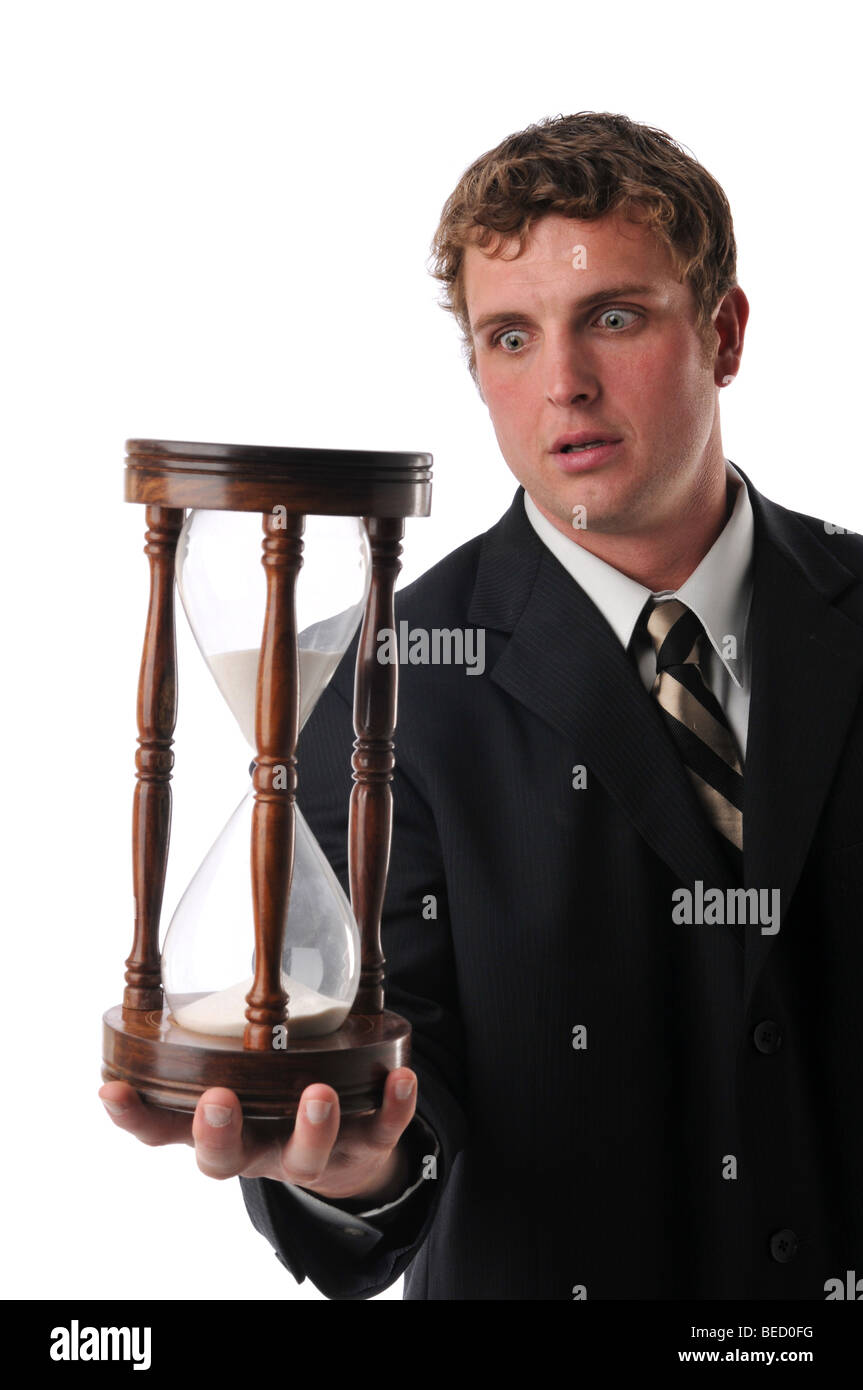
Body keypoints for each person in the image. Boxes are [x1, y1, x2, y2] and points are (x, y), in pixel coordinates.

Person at [100, 111, 863, 1300]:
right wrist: (351, 1165)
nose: (562, 383)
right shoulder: (378, 680)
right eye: (510, 336)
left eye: (612, 316)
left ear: (722, 332)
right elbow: (397, 1073)